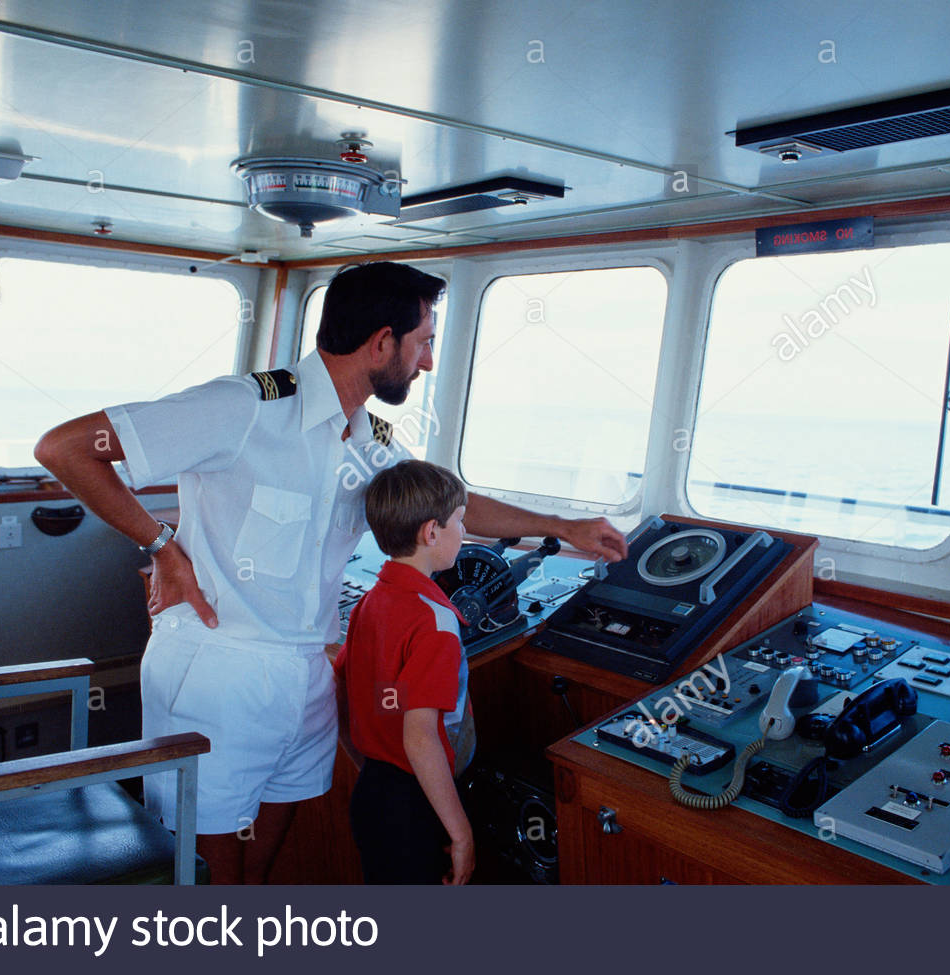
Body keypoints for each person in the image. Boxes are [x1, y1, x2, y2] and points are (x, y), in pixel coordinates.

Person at [33, 261, 628, 885]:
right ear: (381, 342)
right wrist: (162, 546)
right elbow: (65, 448)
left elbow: (452, 502)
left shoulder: (370, 440)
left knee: (256, 873)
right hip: (219, 670)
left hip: (308, 674)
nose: (426, 362)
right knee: (209, 879)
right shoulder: (241, 408)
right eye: (423, 342)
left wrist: (563, 526)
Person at [335, 460, 476, 884]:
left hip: (375, 793)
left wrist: (373, 766)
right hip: (417, 805)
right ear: (431, 533)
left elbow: (341, 695)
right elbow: (420, 736)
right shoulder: (435, 621)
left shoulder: (369, 603)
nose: (464, 533)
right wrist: (461, 833)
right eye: (460, 522)